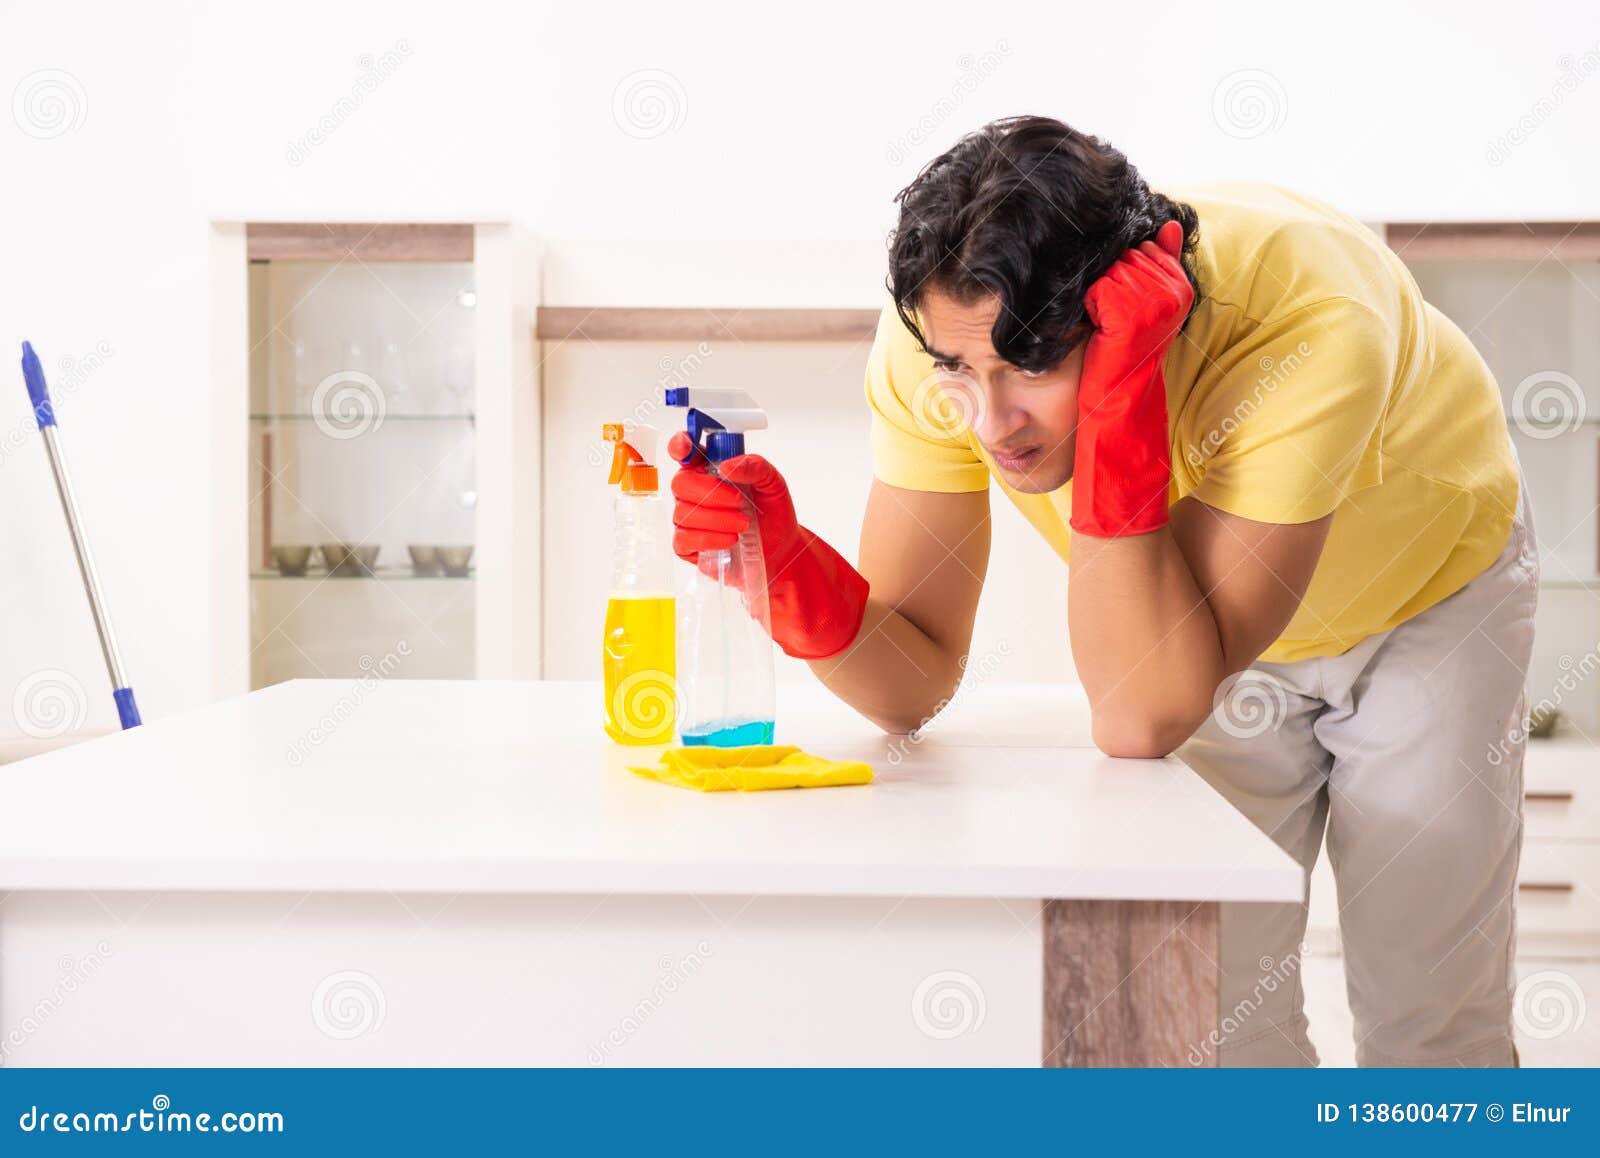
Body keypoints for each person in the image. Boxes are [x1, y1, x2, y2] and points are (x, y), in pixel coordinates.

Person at [668, 116, 1537, 1067]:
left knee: (1431, 1018)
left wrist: (1124, 410)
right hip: (1197, 633)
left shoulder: (1307, 323)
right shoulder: (946, 339)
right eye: (961, 369)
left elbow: (1139, 717)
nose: (989, 420)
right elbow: (913, 680)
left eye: (1033, 366)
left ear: (1129, 321)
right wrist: (787, 571)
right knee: (1210, 1013)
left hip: (1426, 595)